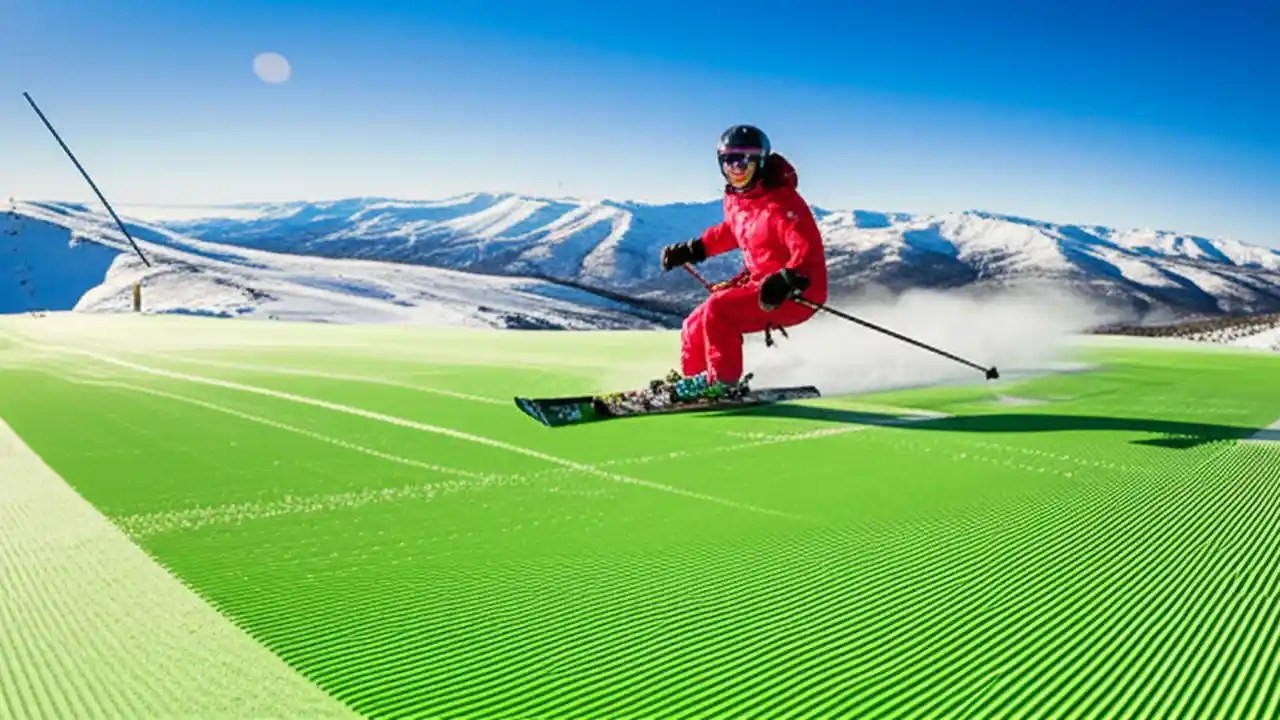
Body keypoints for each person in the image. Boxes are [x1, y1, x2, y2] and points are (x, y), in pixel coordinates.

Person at [657, 124, 828, 399]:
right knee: (694, 323)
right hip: (762, 284)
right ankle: (695, 383)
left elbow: (807, 249)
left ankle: (722, 384)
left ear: (760, 162)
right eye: (728, 161)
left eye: (744, 160)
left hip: (797, 291)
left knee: (720, 310)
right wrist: (694, 249)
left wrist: (789, 279)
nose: (736, 168)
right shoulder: (739, 200)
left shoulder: (783, 203)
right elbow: (735, 230)